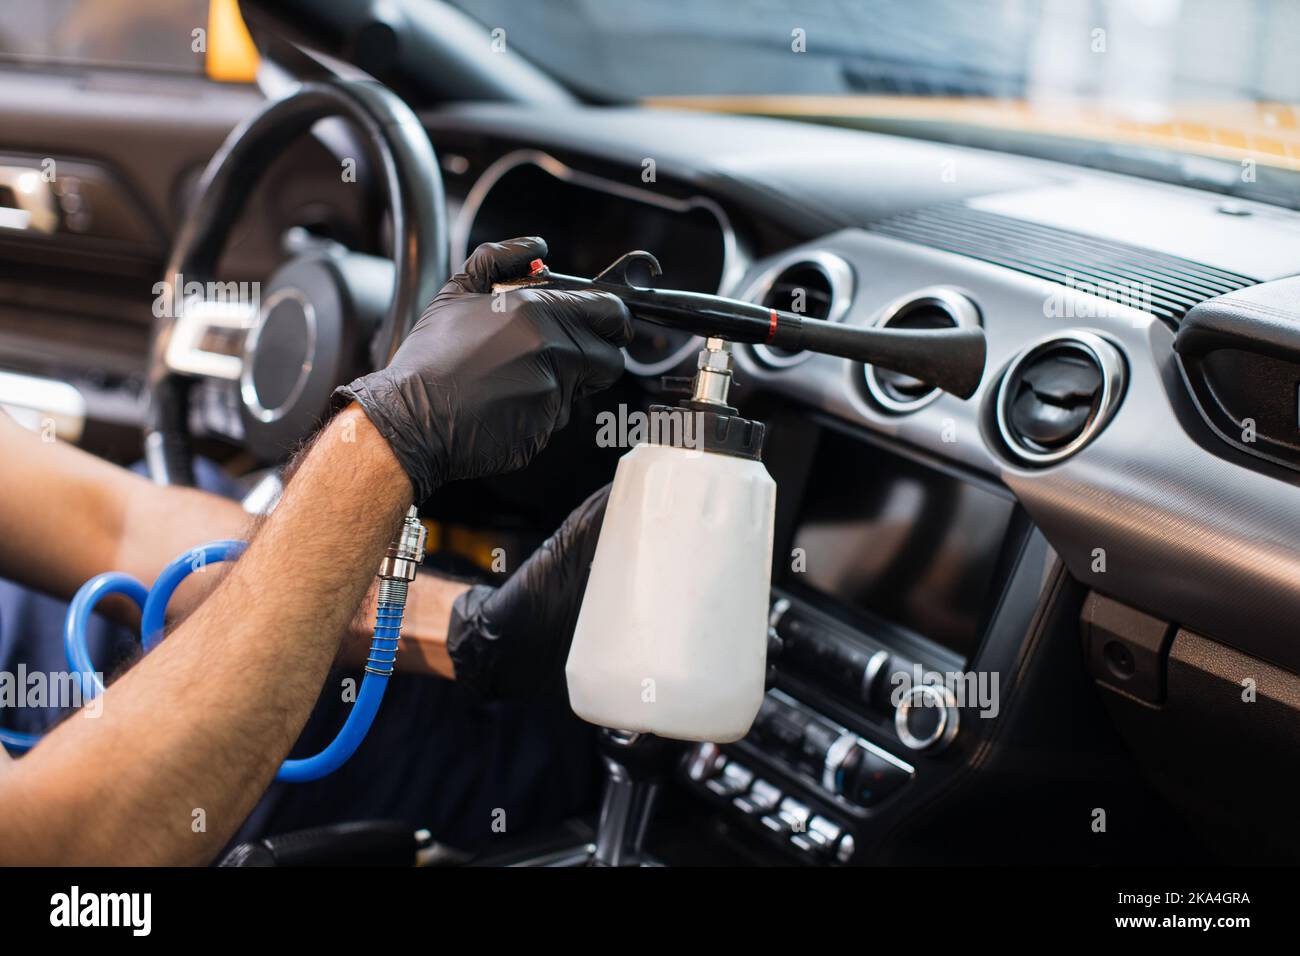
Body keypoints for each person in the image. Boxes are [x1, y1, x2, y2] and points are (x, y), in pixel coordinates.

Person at [0, 237, 628, 865]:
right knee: (501, 754)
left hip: (128, 634)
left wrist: (468, 624)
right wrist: (390, 433)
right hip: (119, 779)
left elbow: (114, 524)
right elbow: (62, 845)